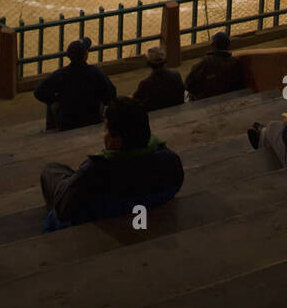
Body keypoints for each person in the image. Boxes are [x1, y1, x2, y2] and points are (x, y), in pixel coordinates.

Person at [40, 97, 184, 231]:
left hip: (100, 212)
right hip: (141, 203)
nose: (105, 134)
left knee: (51, 171)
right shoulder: (170, 161)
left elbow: (65, 209)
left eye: (106, 129)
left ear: (117, 141)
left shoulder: (95, 170)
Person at [34, 37, 117, 131]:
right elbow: (111, 95)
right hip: (93, 119)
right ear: (86, 55)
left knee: (50, 102)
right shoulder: (96, 72)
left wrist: (55, 100)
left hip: (67, 122)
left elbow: (38, 91)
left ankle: (51, 129)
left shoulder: (60, 74)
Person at [184, 30, 245, 100]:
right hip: (228, 99)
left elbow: (188, 84)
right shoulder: (235, 62)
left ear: (213, 45)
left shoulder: (205, 63)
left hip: (205, 101)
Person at [133, 45, 185, 112]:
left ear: (148, 63)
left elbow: (135, 102)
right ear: (165, 60)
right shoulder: (176, 76)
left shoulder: (145, 84)